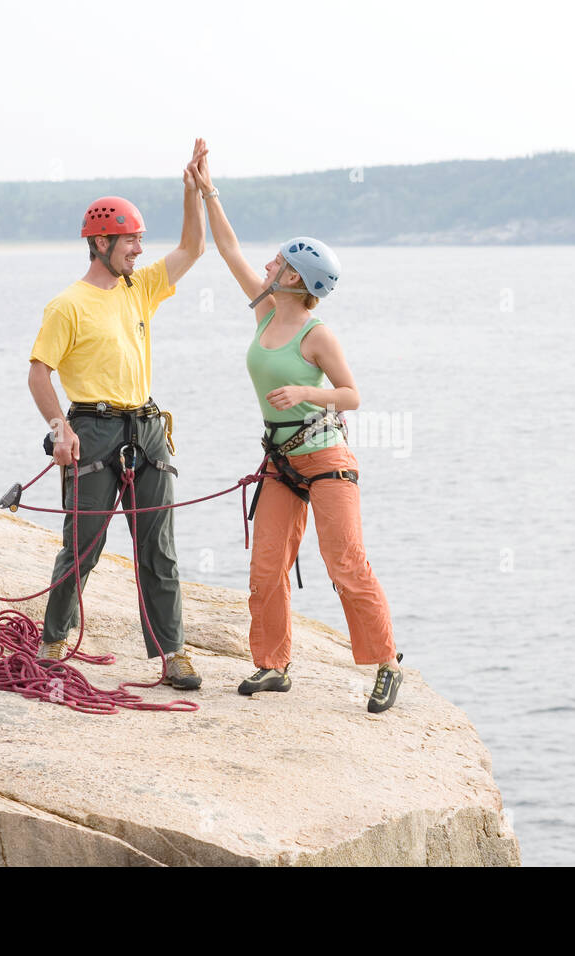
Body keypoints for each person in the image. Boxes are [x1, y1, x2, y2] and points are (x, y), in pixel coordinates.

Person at [190, 140, 403, 713]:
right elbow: (228, 249)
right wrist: (208, 189)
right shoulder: (264, 312)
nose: (266, 266)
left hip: (326, 458)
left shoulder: (318, 335)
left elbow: (352, 396)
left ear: (296, 277)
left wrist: (308, 391)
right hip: (280, 463)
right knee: (265, 569)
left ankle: (386, 663)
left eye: (277, 262)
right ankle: (272, 666)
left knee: (344, 562)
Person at [26, 140, 207, 690]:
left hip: (147, 430)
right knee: (82, 546)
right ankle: (54, 640)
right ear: (101, 242)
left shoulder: (141, 288)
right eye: (131, 240)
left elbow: (194, 247)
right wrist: (60, 430)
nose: (138, 249)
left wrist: (192, 191)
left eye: (140, 240)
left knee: (159, 549)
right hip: (94, 430)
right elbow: (39, 372)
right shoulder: (67, 305)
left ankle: (172, 652)